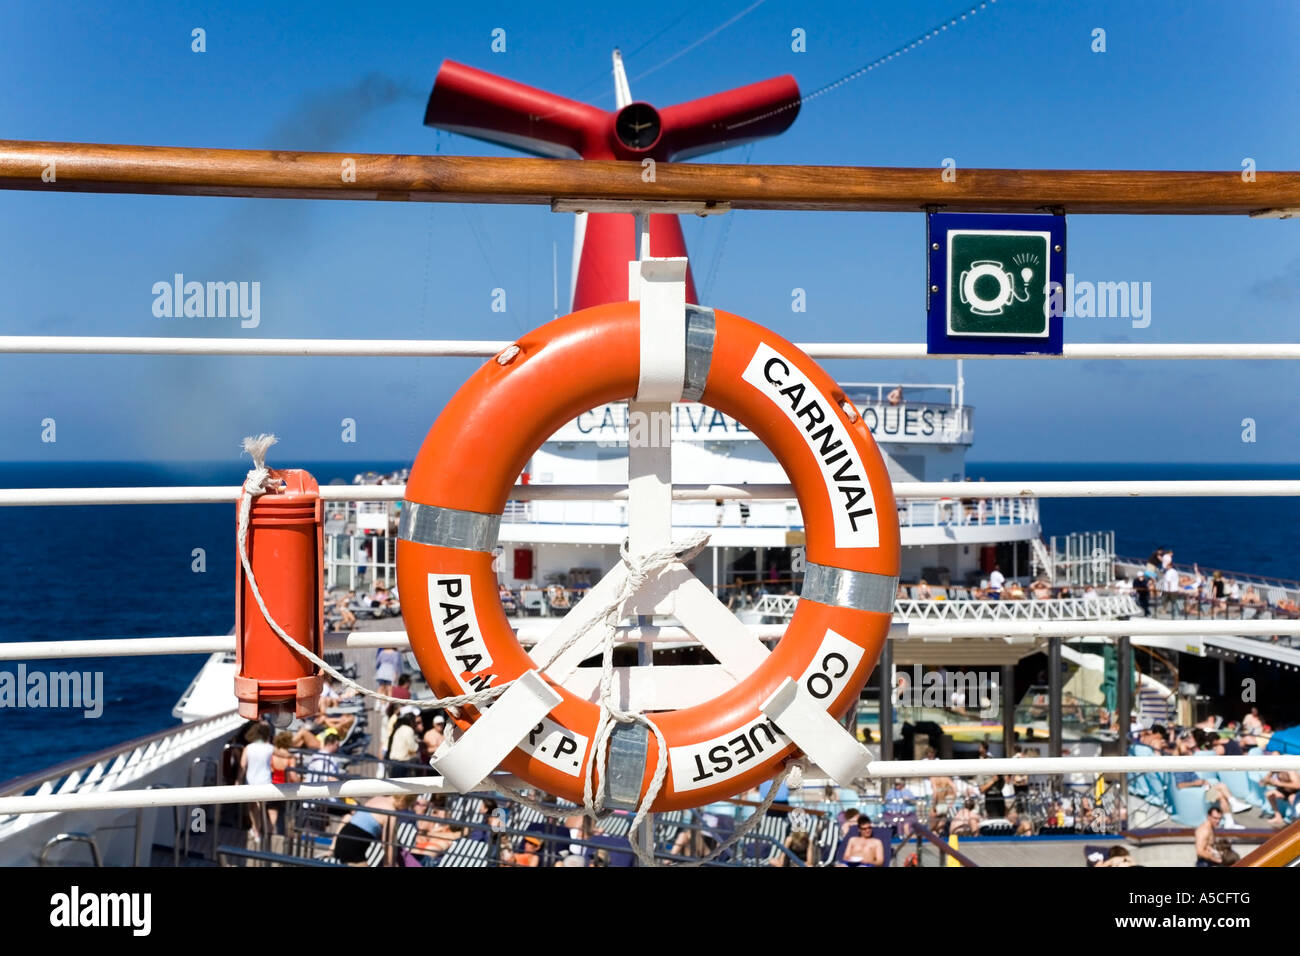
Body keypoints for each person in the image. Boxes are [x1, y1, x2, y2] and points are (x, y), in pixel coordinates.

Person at [238, 723, 274, 843]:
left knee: (252, 807)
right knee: (260, 807)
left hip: (251, 781)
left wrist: (237, 780)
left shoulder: (248, 748)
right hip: (265, 781)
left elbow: (242, 766)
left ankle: (256, 829)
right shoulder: (270, 748)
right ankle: (259, 830)